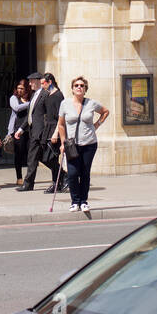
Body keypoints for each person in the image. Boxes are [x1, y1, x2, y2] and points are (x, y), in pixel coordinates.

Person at [54, 77, 109, 213]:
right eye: (76, 85)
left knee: (85, 173)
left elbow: (105, 112)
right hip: (72, 145)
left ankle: (84, 201)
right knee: (73, 173)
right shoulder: (65, 104)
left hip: (89, 143)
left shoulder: (91, 103)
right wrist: (62, 142)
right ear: (72, 89)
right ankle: (74, 201)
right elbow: (61, 124)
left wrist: (97, 125)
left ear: (85, 89)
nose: (79, 87)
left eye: (82, 86)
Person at [17, 72, 46, 192]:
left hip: (40, 131)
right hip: (33, 131)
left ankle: (28, 184)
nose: (30, 83)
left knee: (37, 158)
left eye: (32, 81)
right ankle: (28, 184)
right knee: (38, 158)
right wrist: (20, 129)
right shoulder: (34, 95)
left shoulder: (45, 94)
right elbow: (30, 115)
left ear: (39, 81)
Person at [7, 79, 30, 187]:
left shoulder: (30, 98)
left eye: (22, 88)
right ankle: (19, 177)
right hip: (17, 130)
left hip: (29, 130)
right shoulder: (14, 98)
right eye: (18, 88)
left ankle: (29, 177)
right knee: (19, 154)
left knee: (30, 154)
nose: (20, 90)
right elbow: (16, 108)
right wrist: (31, 104)